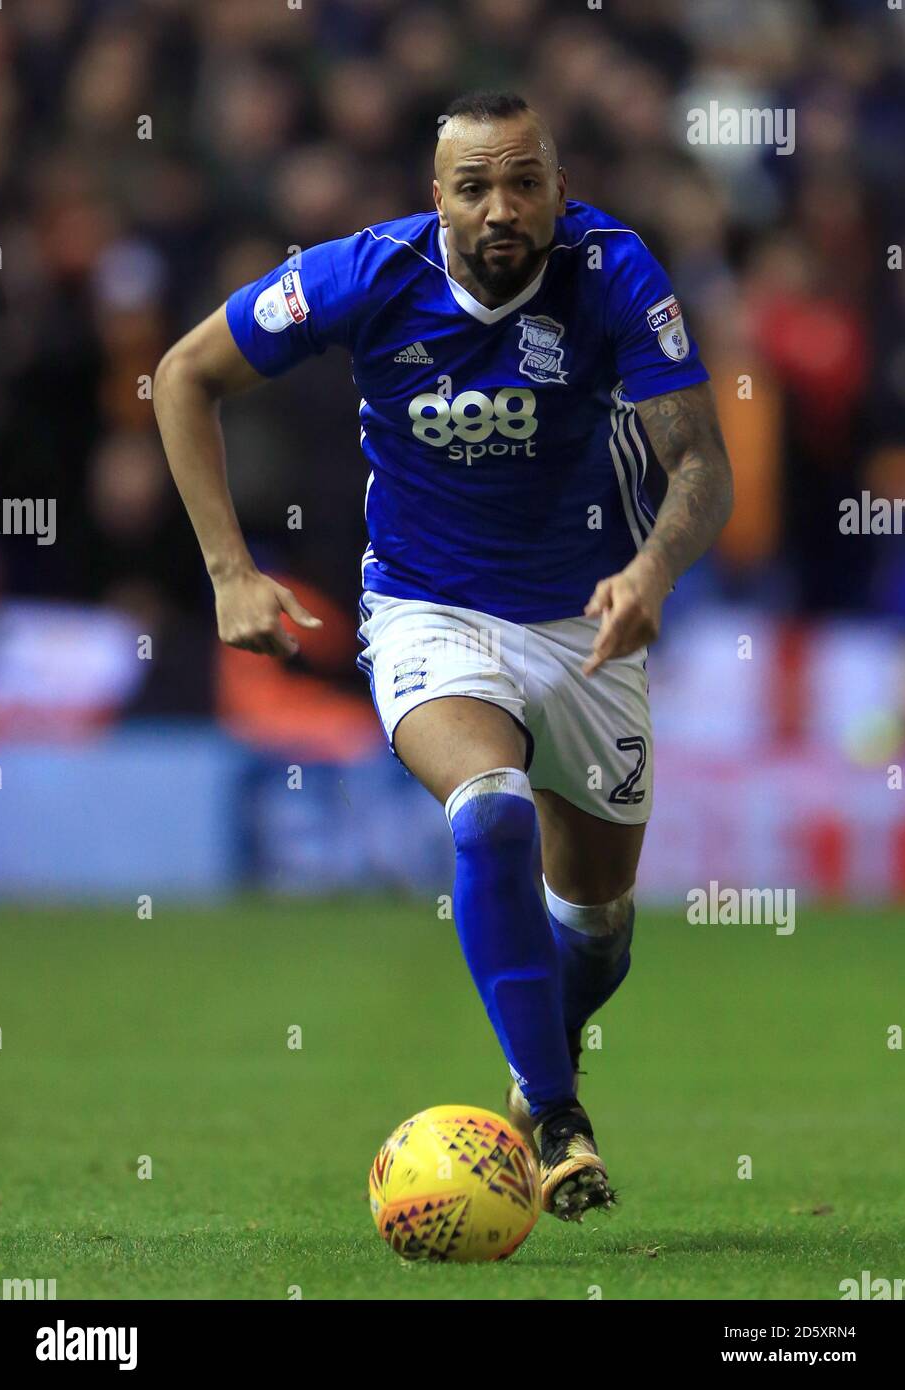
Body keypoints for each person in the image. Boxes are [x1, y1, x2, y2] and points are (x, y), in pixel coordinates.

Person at [153, 90, 733, 1222]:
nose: (500, 208)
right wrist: (228, 570)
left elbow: (701, 464)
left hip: (587, 621)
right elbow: (183, 374)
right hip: (428, 609)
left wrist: (650, 576)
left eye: (524, 182)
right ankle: (557, 1119)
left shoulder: (614, 273)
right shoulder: (365, 273)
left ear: (559, 192)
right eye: (473, 187)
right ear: (437, 200)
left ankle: (535, 1062)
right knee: (490, 807)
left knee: (598, 931)